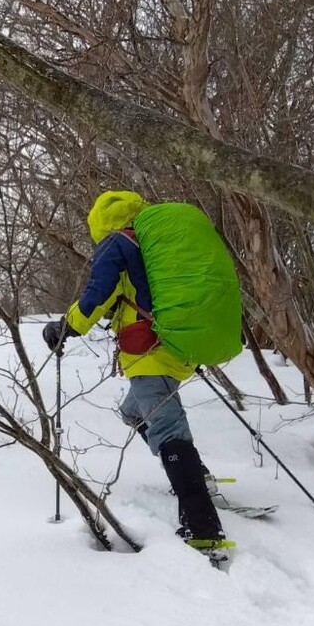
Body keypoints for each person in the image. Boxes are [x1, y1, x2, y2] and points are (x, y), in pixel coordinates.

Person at [42, 190, 226, 545]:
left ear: (98, 222)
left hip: (148, 348)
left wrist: (67, 325)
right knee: (133, 412)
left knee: (168, 429)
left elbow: (99, 292)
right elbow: (124, 292)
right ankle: (195, 476)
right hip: (179, 342)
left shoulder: (117, 243)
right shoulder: (149, 240)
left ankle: (203, 526)